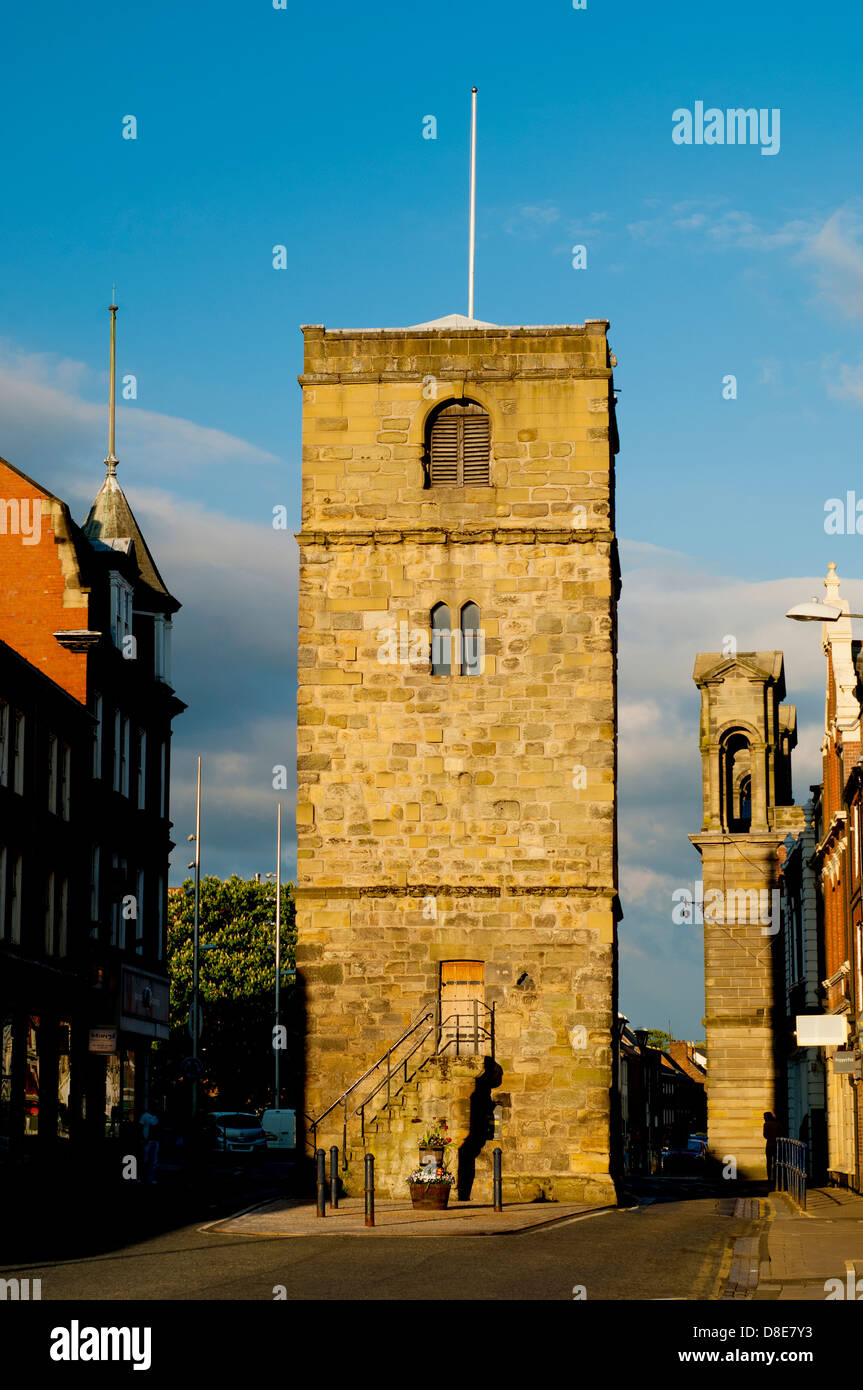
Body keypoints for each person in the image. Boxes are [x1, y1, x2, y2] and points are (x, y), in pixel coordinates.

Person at [139, 1105, 160, 1184]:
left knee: (152, 1161)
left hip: (152, 1141)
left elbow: (156, 1129)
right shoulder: (145, 1116)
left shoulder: (154, 1117)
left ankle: (149, 1177)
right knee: (146, 1160)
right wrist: (143, 1139)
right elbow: (140, 1127)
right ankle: (143, 1177)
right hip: (147, 1141)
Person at [763, 1111, 781, 1182]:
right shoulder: (778, 1124)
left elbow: (765, 1135)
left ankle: (769, 1178)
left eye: (764, 1117)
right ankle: (777, 1177)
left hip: (769, 1145)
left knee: (769, 1163)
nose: (764, 1118)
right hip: (777, 1145)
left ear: (767, 1117)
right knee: (776, 1162)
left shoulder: (766, 1124)